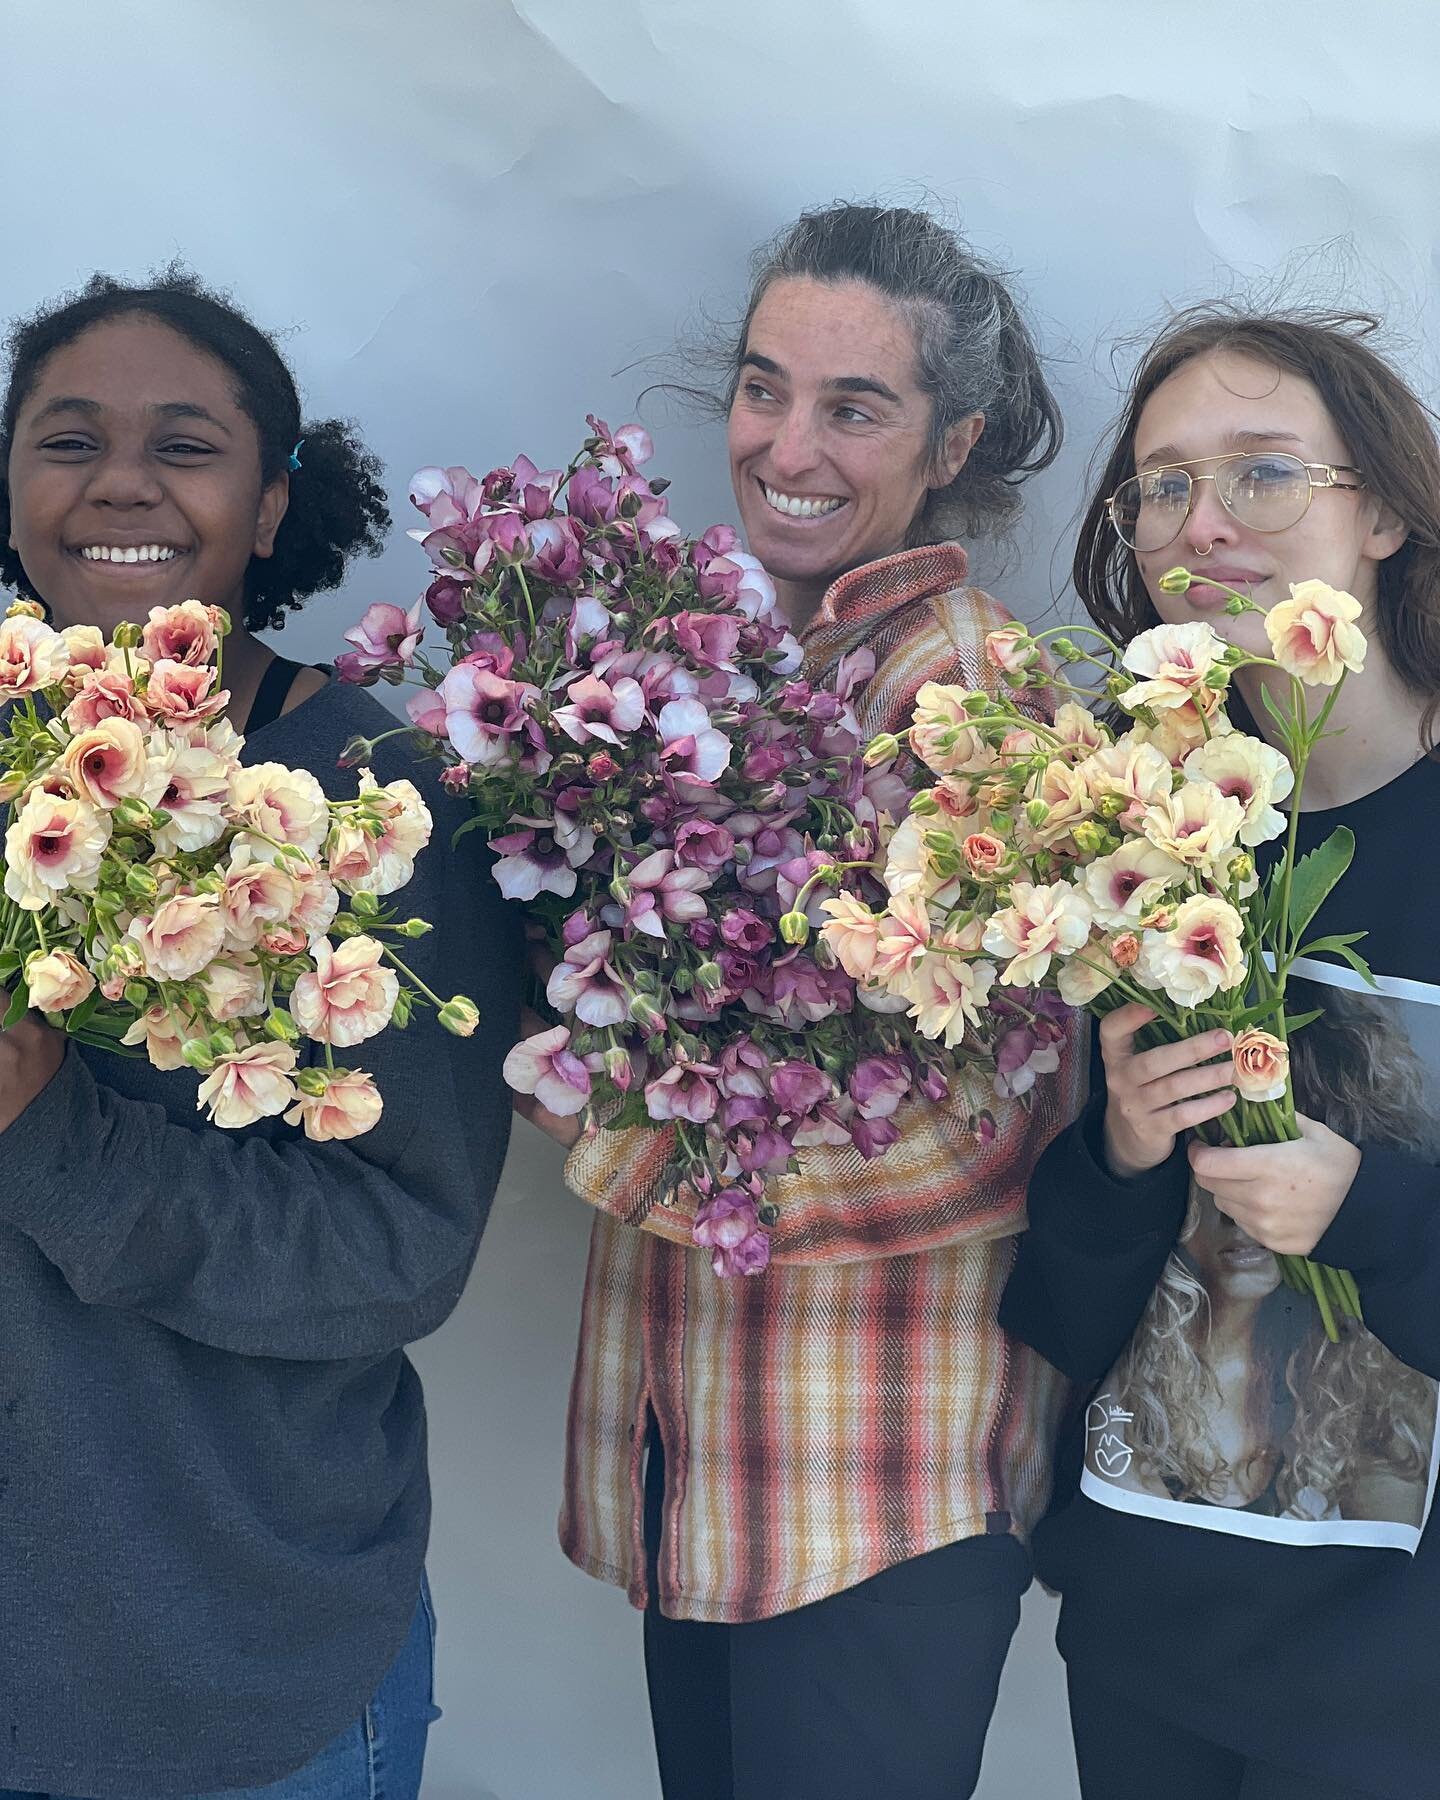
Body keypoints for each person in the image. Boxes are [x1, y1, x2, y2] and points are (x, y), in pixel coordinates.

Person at [514, 201, 1085, 1800]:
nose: (788, 444)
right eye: (766, 390)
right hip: (713, 1472)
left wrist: (614, 1131)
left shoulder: (957, 689)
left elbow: (999, 1123)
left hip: (871, 1495)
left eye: (856, 407)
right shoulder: (729, 668)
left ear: (951, 440)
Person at [0, 270, 521, 1799]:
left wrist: (50, 1136)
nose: (119, 484)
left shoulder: (371, 802)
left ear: (275, 504)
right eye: (67, 438)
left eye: (185, 444)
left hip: (219, 1674)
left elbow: (400, 1249)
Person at [1000, 305, 1440, 1800]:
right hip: (1147, 1634)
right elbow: (1064, 1315)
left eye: (1263, 473)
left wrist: (1366, 1212)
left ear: (1381, 509)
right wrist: (1123, 1153)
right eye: (1165, 486)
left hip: (1401, 1676)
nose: (1204, 525)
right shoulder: (1125, 832)